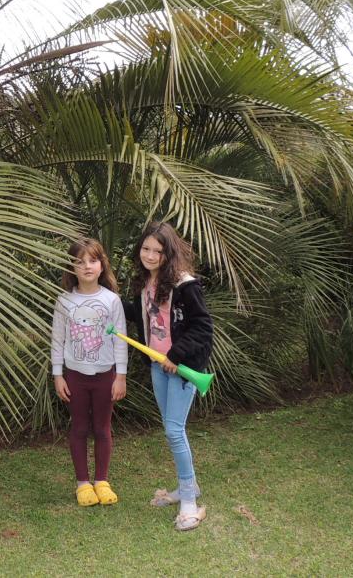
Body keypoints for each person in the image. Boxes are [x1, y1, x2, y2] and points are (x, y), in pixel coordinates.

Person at [123, 222, 213, 530]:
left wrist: (176, 356)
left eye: (157, 251)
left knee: (175, 431)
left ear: (168, 253)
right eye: (145, 249)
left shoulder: (185, 285)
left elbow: (203, 327)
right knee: (171, 429)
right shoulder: (146, 283)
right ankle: (190, 487)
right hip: (157, 365)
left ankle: (189, 500)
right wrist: (106, 301)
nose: (149, 255)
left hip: (182, 367)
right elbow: (144, 317)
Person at [50, 237, 128, 507]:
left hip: (106, 376)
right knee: (80, 427)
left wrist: (120, 375)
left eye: (92, 260)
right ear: (71, 267)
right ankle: (83, 483)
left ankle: (102, 481)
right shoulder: (64, 301)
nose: (86, 266)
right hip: (75, 376)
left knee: (103, 428)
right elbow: (57, 339)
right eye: (79, 261)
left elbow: (120, 339)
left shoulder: (111, 300)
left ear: (101, 265)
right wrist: (57, 374)